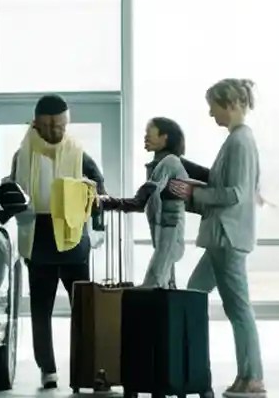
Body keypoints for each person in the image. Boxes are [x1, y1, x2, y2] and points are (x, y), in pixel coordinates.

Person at [3, 94, 107, 390]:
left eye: (60, 125)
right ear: (36, 123)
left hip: (73, 236)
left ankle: (91, 366)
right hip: (38, 238)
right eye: (48, 125)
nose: (54, 131)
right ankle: (47, 368)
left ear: (67, 122)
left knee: (84, 310)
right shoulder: (22, 154)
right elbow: (14, 189)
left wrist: (97, 227)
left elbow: (100, 189)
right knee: (40, 309)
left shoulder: (78, 152)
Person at [169, 78, 265, 398]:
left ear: (232, 104)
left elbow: (235, 193)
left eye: (213, 106)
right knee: (194, 296)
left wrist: (195, 192)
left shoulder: (240, 141)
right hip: (220, 238)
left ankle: (252, 377)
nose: (211, 114)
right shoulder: (237, 140)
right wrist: (196, 190)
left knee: (238, 308)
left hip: (227, 237)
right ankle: (231, 374)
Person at [99, 117, 191, 288]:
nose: (146, 136)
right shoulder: (161, 165)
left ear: (165, 138)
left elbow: (142, 200)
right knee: (166, 288)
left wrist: (110, 203)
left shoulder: (169, 162)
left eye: (151, 131)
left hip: (170, 235)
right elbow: (145, 201)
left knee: (152, 284)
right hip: (165, 234)